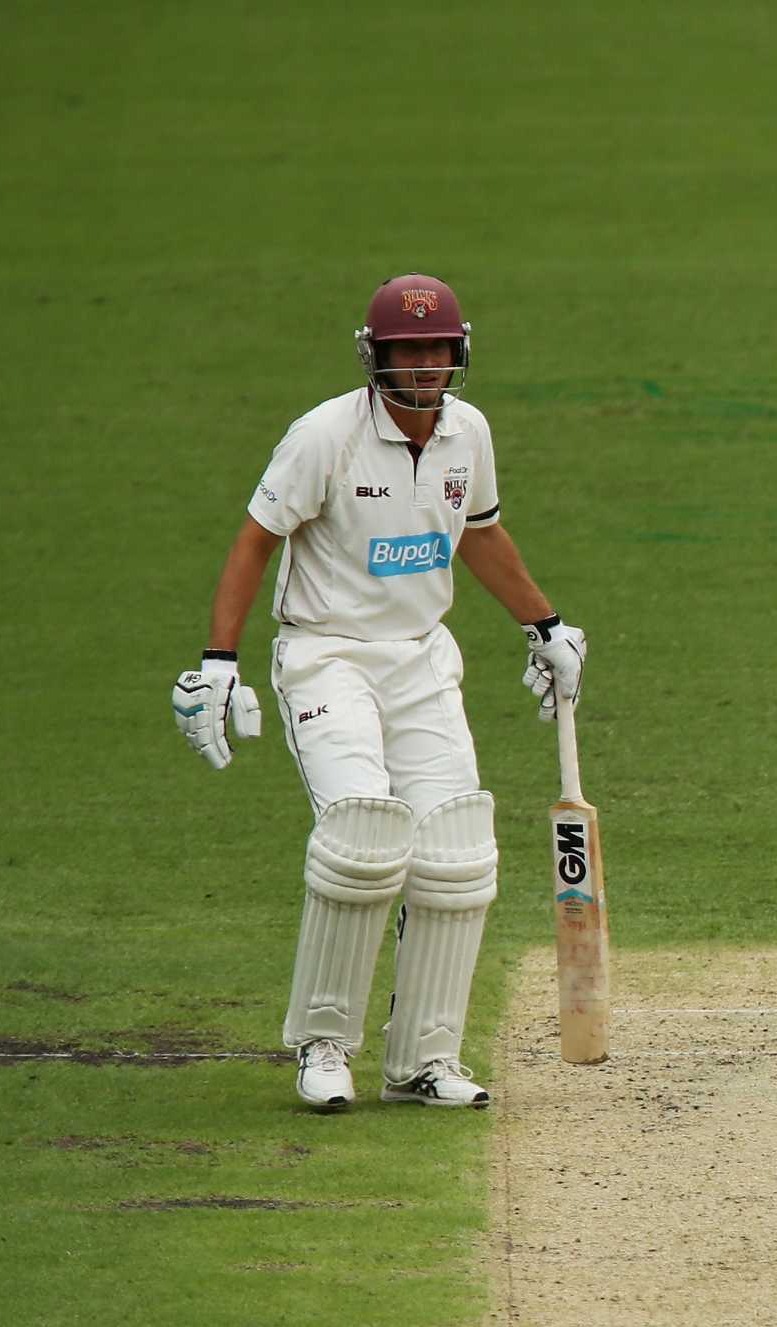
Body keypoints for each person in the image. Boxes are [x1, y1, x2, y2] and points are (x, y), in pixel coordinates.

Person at [171, 273, 590, 1112]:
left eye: (437, 348)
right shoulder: (325, 435)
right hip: (327, 655)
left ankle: (425, 1059)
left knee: (455, 854)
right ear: (378, 357)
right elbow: (255, 541)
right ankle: (324, 1046)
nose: (425, 364)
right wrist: (219, 661)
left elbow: (480, 534)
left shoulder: (468, 432)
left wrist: (545, 626)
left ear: (457, 351)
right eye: (408, 350)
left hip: (421, 659)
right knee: (362, 836)